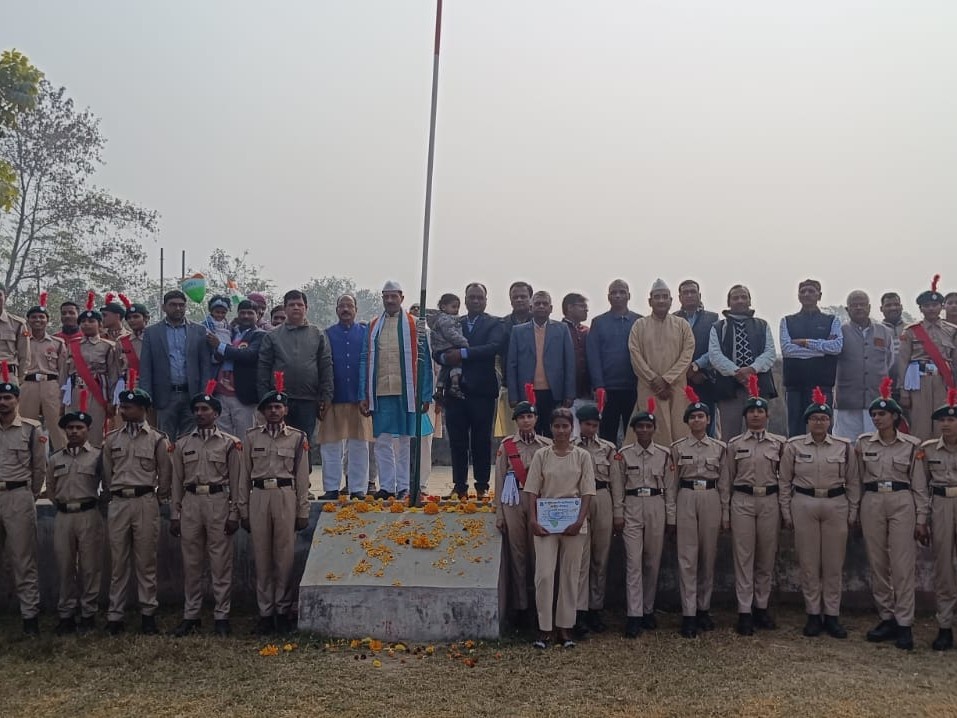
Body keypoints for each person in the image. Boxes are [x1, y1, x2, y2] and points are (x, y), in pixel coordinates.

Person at [779, 388, 859, 639]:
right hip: (804, 502)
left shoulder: (844, 447)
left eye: (824, 419)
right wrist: (786, 512)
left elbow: (853, 481)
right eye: (814, 418)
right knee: (809, 563)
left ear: (830, 421)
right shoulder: (793, 446)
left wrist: (853, 511)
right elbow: (784, 481)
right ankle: (813, 614)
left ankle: (832, 615)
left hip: (836, 503)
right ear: (807, 422)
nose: (819, 422)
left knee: (834, 564)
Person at [856, 378, 929, 650]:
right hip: (873, 499)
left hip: (902, 500)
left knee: (902, 564)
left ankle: (904, 622)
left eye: (882, 414)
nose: (877, 418)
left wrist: (922, 518)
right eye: (874, 414)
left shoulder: (911, 445)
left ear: (895, 416)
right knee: (878, 563)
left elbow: (919, 484)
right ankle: (886, 617)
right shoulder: (863, 444)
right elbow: (857, 479)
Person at [238, 375, 311, 635]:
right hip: (259, 496)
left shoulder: (297, 438)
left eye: (278, 407)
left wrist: (303, 510)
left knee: (284, 558)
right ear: (263, 412)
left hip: (285, 496)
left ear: (285, 410)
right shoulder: (249, 438)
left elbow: (302, 477)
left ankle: (283, 611)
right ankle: (265, 613)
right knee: (262, 558)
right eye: (269, 408)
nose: (273, 411)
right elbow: (243, 477)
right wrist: (242, 510)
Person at [169, 381, 242, 638]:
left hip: (218, 502)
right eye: (196, 409)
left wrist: (235, 513)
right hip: (190, 503)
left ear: (216, 414)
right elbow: (176, 482)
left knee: (221, 563)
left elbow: (236, 482)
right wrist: (175, 514)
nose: (200, 413)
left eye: (205, 409)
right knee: (191, 563)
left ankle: (222, 615)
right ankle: (192, 615)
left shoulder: (230, 444)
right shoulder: (181, 445)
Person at [102, 373, 172, 636]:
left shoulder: (157, 439)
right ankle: (115, 615)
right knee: (118, 562)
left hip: (145, 501)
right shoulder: (112, 439)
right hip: (119, 502)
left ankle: (148, 613)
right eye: (122, 406)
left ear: (143, 409)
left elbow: (165, 475)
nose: (123, 410)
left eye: (128, 407)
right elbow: (107, 474)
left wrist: (158, 497)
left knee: (146, 562)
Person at [524, 407, 595, 649]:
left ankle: (565, 628)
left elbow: (587, 493)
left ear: (571, 428)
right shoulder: (542, 455)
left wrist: (579, 521)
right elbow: (532, 490)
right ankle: (545, 629)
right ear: (551, 428)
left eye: (566, 426)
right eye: (557, 426)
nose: (562, 431)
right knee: (544, 575)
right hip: (545, 523)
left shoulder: (582, 456)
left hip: (574, 523)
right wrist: (533, 520)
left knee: (570, 575)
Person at [721, 375, 786, 636]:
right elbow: (726, 480)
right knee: (744, 557)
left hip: (769, 501)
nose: (756, 416)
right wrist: (725, 512)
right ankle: (744, 611)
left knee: (766, 558)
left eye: (760, 411)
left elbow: (785, 480)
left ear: (767, 416)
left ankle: (762, 607)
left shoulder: (780, 445)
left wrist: (785, 510)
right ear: (745, 416)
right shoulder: (734, 445)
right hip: (743, 501)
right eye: (752, 412)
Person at [359, 281, 433, 500]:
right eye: (386, 297)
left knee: (403, 440)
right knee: (382, 441)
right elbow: (365, 358)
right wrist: (363, 394)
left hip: (407, 392)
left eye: (393, 296)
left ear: (402, 297)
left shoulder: (415, 325)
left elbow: (425, 360)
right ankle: (387, 486)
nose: (389, 301)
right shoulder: (373, 326)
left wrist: (426, 393)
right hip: (380, 391)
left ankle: (404, 486)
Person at [611, 398, 675, 637]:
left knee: (652, 561)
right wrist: (618, 514)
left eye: (648, 426)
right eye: (640, 427)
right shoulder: (623, 455)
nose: (644, 430)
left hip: (656, 505)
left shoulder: (664, 455)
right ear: (634, 430)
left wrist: (671, 518)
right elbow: (617, 487)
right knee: (633, 562)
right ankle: (634, 614)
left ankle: (648, 609)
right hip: (632, 506)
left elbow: (670, 488)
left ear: (654, 429)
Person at [436, 283, 505, 500]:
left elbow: (493, 347)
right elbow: (438, 347)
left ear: (486, 300)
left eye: (479, 297)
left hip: (482, 391)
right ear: (465, 300)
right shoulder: (454, 321)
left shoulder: (495, 323)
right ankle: (459, 486)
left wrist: (463, 354)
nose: (475, 301)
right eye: (471, 297)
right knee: (457, 441)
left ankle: (482, 486)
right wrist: (444, 358)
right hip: (455, 391)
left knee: (481, 441)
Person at [671, 386, 726, 638]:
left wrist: (725, 513)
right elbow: (671, 484)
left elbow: (724, 482)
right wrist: (671, 514)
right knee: (687, 557)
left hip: (711, 497)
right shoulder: (677, 448)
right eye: (692, 417)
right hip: (686, 497)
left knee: (708, 555)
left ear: (708, 420)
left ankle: (704, 608)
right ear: (687, 421)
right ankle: (689, 612)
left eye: (701, 416)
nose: (697, 420)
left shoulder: (719, 448)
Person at [47, 392, 103, 635]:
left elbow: (107, 486)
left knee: (90, 568)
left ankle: (89, 614)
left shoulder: (99, 456)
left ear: (87, 430)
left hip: (89, 514)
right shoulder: (55, 458)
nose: (73, 432)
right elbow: (50, 489)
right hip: (63, 517)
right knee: (65, 567)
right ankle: (66, 615)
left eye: (79, 427)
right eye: (69, 428)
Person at [494, 397, 551, 628]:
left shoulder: (545, 445)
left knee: (539, 554)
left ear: (536, 419)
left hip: (537, 500)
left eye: (530, 416)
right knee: (517, 553)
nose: (526, 421)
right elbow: (498, 478)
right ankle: (520, 606)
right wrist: (499, 512)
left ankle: (541, 606)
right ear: (515, 420)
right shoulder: (507, 445)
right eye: (522, 417)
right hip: (513, 499)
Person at [0, 363, 46, 634]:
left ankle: (30, 617)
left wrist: (29, 494)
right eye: (0, 398)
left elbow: (39, 468)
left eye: (8, 398)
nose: (3, 402)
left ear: (17, 400)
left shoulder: (31, 430)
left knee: (23, 558)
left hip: (18, 496)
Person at [257, 289, 333, 445]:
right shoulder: (272, 336)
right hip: (279, 402)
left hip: (308, 401)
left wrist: (326, 397)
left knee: (303, 446)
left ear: (306, 308)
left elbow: (326, 366)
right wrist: (264, 400)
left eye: (300, 304)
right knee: (278, 445)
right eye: (292, 305)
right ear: (285, 308)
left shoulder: (318, 334)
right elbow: (263, 369)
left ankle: (303, 471)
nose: (296, 308)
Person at [628, 278, 695, 445]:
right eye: (657, 297)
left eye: (665, 296)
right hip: (649, 388)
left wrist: (667, 380)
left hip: (676, 388)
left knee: (680, 431)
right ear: (650, 301)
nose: (661, 300)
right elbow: (635, 355)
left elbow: (687, 355)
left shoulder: (682, 325)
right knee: (650, 431)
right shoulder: (639, 326)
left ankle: (680, 470)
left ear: (671, 301)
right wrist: (654, 379)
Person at [319, 294, 373, 500]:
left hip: (359, 399)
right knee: (331, 445)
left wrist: (367, 395)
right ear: (336, 310)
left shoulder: (366, 333)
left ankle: (358, 489)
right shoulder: (327, 334)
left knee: (359, 445)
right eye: (342, 306)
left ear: (356, 309)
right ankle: (331, 488)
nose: (345, 309)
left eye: (349, 306)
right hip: (334, 397)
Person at [139, 290, 214, 439]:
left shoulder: (199, 330)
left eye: (181, 305)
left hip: (192, 394)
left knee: (190, 439)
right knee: (165, 439)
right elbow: (146, 367)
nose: (178, 308)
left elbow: (205, 365)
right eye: (173, 305)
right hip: (165, 395)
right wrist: (146, 397)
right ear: (164, 307)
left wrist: (204, 394)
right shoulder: (151, 332)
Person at [708, 285, 777, 442]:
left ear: (749, 301)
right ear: (729, 302)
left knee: (760, 436)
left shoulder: (762, 325)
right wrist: (737, 372)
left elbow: (770, 353)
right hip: (729, 389)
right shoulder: (718, 327)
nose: (740, 301)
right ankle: (730, 467)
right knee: (730, 437)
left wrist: (752, 369)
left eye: (743, 297)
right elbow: (715, 355)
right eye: (735, 298)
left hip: (758, 387)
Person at [506, 290, 576, 437]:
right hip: (527, 392)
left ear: (551, 308)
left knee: (552, 432)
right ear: (531, 308)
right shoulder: (518, 331)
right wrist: (513, 395)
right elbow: (512, 365)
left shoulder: (561, 329)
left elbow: (569, 363)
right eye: (538, 304)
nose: (541, 307)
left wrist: (569, 393)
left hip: (554, 392)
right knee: (530, 433)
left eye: (545, 304)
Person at [572, 402, 616, 634]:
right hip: (578, 500)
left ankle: (595, 609)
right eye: (588, 424)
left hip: (601, 497)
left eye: (595, 425)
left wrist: (618, 511)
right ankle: (579, 610)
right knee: (581, 559)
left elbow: (616, 482)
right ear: (580, 424)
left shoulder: (608, 448)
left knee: (601, 556)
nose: (592, 429)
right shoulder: (570, 447)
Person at [779, 279, 843, 437]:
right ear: (798, 296)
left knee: (823, 431)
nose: (806, 294)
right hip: (795, 385)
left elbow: (836, 348)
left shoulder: (831, 321)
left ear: (819, 295)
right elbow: (787, 350)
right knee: (795, 432)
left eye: (811, 291)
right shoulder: (787, 321)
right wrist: (822, 349)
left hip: (822, 384)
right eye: (803, 292)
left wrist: (805, 342)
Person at [899, 275, 957, 440]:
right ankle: (919, 462)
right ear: (921, 309)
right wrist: (903, 391)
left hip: (943, 382)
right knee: (920, 426)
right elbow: (903, 361)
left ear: (941, 307)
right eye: (926, 306)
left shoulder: (952, 330)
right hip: (919, 382)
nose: (931, 309)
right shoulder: (911, 331)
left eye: (934, 305)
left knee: (944, 423)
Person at [921, 390, 957, 651]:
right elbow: (922, 487)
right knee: (943, 566)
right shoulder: (928, 449)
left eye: (951, 420)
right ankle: (944, 627)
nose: (946, 424)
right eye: (942, 420)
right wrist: (922, 519)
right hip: (941, 505)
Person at [833, 290, 895, 440]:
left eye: (862, 304)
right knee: (847, 444)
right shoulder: (839, 332)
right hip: (847, 399)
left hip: (876, 399)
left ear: (869, 307)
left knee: (876, 442)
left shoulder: (884, 332)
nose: (859, 308)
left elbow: (890, 361)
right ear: (847, 310)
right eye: (854, 305)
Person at [586, 279, 641, 444]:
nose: (618, 296)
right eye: (614, 293)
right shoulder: (598, 322)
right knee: (607, 435)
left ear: (629, 296)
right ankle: (607, 467)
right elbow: (593, 356)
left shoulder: (639, 321)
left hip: (635, 387)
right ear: (608, 297)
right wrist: (598, 385)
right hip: (608, 388)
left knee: (634, 433)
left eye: (622, 292)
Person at [65, 294, 120, 447]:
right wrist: (62, 400)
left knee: (95, 433)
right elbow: (64, 374)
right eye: (83, 321)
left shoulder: (108, 346)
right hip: (75, 391)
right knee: (73, 430)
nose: (86, 324)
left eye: (91, 321)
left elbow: (114, 376)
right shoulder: (72, 345)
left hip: (97, 394)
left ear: (100, 324)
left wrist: (112, 401)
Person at [208, 299, 265, 437]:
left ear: (258, 315)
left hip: (243, 395)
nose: (245, 316)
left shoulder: (260, 335)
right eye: (242, 313)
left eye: (250, 313)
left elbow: (248, 355)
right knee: (222, 439)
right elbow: (215, 356)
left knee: (245, 438)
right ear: (237, 314)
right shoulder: (228, 332)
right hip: (220, 394)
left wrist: (220, 346)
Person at [21, 294, 68, 451]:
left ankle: (64, 459)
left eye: (42, 317)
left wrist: (61, 391)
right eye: (34, 317)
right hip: (28, 384)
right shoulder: (23, 341)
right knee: (26, 425)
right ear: (28, 320)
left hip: (51, 385)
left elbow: (63, 370)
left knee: (57, 426)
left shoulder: (57, 343)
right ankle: (26, 460)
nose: (38, 320)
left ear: (48, 320)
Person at [674, 280, 720, 437]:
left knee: (706, 422)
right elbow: (671, 349)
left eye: (692, 292)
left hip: (704, 377)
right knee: (681, 423)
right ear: (679, 297)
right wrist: (686, 371)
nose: (689, 295)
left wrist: (696, 366)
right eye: (685, 293)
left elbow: (715, 348)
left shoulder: (713, 318)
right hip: (679, 380)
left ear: (699, 295)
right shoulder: (672, 319)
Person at [494, 281, 533, 439]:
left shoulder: (540, 323)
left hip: (537, 388)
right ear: (510, 300)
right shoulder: (502, 325)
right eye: (515, 297)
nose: (519, 300)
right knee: (512, 437)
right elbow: (496, 356)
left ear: (530, 298)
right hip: (510, 388)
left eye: (523, 296)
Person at [428, 293, 469, 401]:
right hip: (446, 347)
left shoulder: (444, 319)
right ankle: (455, 385)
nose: (456, 310)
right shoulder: (446, 320)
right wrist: (464, 343)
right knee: (456, 362)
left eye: (457, 307)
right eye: (453, 307)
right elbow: (450, 334)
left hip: (441, 348)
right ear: (443, 307)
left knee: (445, 368)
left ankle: (440, 389)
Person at [561, 293, 590, 434]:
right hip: (567, 395)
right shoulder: (558, 330)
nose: (586, 310)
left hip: (587, 392)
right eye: (582, 306)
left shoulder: (587, 331)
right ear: (570, 308)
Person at [880, 291, 907, 403]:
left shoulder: (911, 330)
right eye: (888, 305)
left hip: (908, 389)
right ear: (881, 309)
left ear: (901, 307)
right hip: (884, 388)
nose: (893, 308)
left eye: (896, 305)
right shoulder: (876, 330)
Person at [0, 283, 29, 385]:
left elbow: (24, 357)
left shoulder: (17, 324)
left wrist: (20, 381)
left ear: (5, 297)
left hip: (7, 375)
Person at [203, 295, 233, 361]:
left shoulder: (227, 325)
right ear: (211, 311)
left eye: (223, 313)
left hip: (226, 355)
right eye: (217, 312)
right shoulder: (205, 325)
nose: (220, 315)